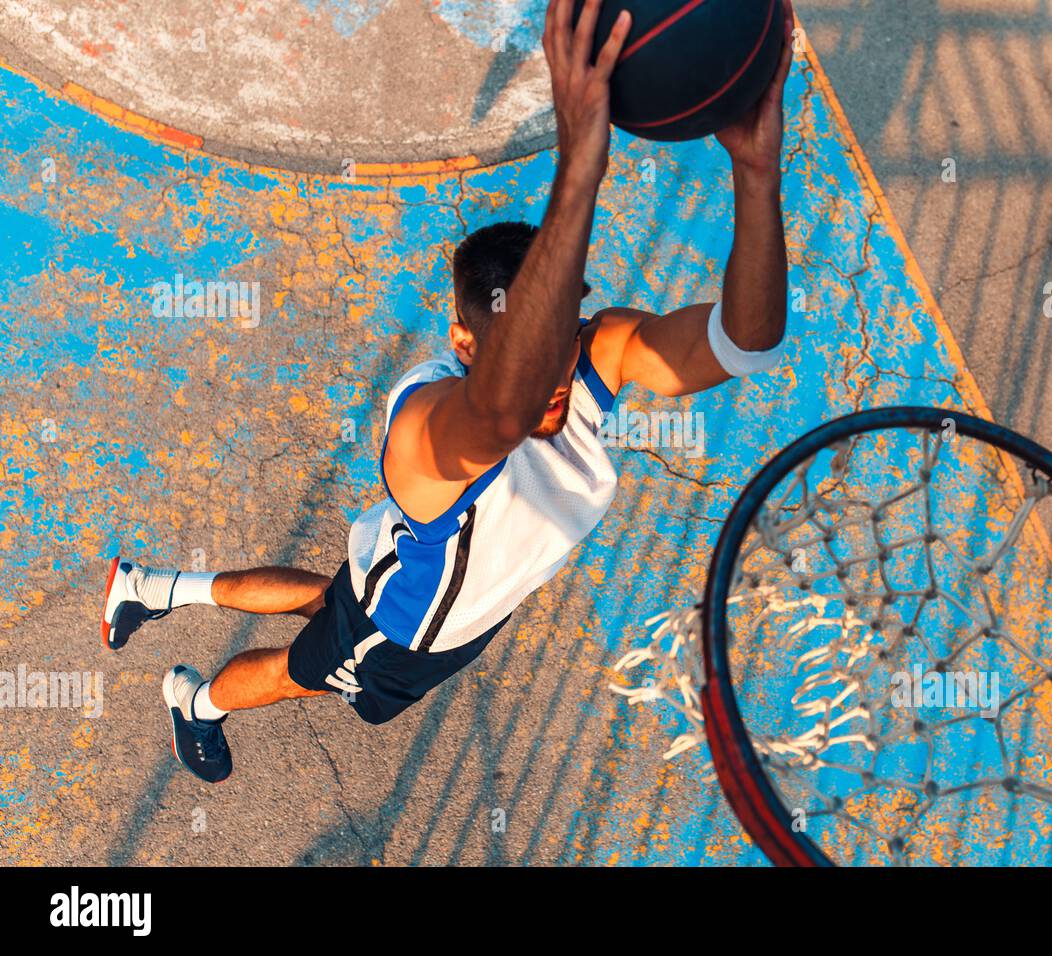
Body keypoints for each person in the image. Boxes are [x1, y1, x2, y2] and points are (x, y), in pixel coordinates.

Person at [100, 0, 795, 783]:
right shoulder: (426, 423)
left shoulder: (596, 353)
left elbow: (746, 344)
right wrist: (580, 166)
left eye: (560, 341)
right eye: (523, 352)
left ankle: (150, 585)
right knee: (299, 672)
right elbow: (502, 413)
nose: (549, 378)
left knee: (330, 598)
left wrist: (756, 171)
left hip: (446, 610)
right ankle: (195, 703)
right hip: (402, 629)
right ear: (465, 342)